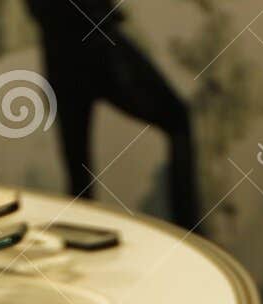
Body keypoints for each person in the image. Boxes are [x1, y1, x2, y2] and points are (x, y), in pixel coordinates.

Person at [23, 0, 201, 230]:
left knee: (79, 178)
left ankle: (187, 233)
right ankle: (189, 233)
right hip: (97, 49)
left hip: (65, 55)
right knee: (178, 120)